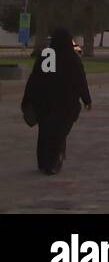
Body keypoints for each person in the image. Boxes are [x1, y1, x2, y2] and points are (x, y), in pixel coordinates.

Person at [20, 28, 92, 175]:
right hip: (66, 105)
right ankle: (52, 162)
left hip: (45, 104)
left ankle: (43, 162)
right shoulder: (72, 59)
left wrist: (27, 99)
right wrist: (86, 99)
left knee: (45, 132)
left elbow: (36, 80)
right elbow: (80, 81)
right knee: (59, 133)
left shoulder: (48, 57)